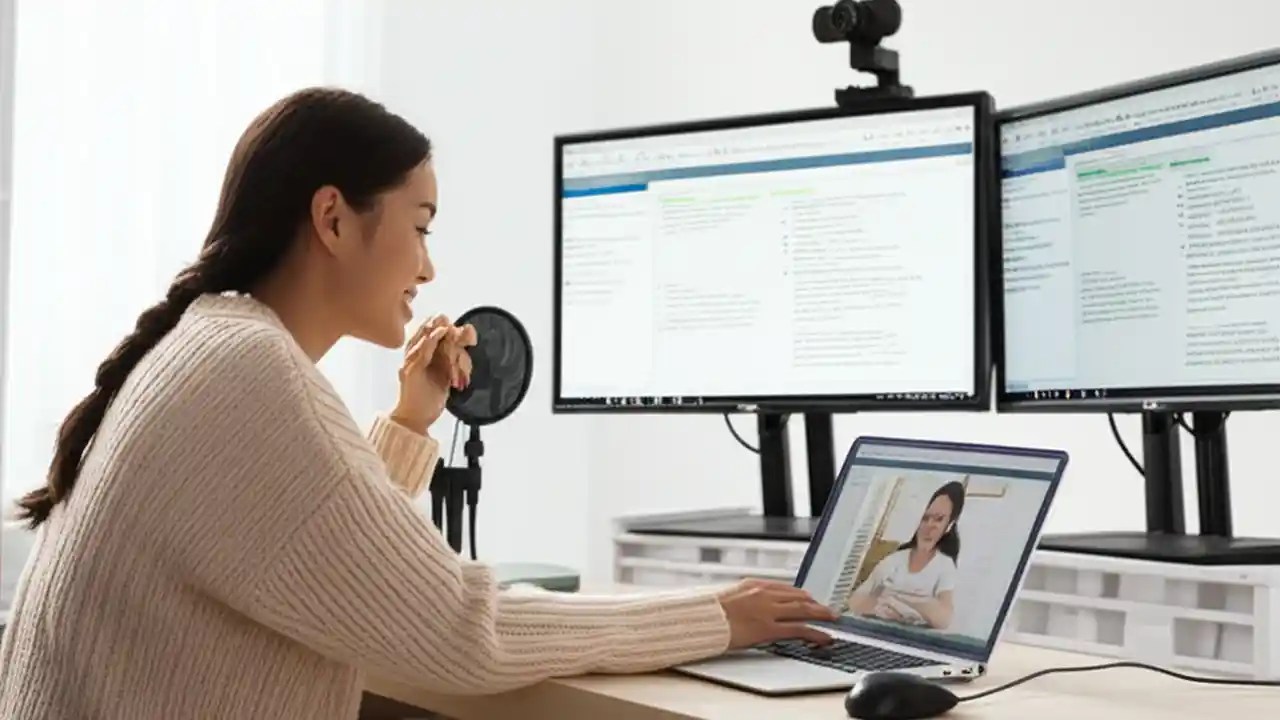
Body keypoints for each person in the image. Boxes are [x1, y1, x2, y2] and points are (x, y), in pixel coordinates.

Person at [0, 88, 836, 719]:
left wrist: (407, 426)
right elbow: (460, 631)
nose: (429, 269)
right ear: (333, 217)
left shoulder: (215, 344)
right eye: (422, 224)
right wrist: (712, 618)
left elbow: (316, 557)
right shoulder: (247, 371)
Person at [846, 481, 965, 630]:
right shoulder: (895, 559)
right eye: (925, 518)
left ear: (949, 525)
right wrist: (878, 608)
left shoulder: (945, 566)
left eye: (939, 519)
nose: (929, 526)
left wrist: (898, 601)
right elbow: (855, 600)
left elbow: (944, 619)